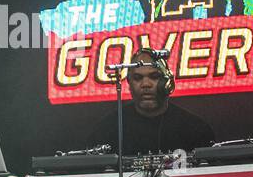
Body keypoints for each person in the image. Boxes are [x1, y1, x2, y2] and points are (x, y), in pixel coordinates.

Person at [85, 48, 214, 154]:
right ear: (129, 83)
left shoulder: (196, 129)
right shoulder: (106, 130)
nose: (145, 84)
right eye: (138, 78)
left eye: (154, 76)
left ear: (167, 82)